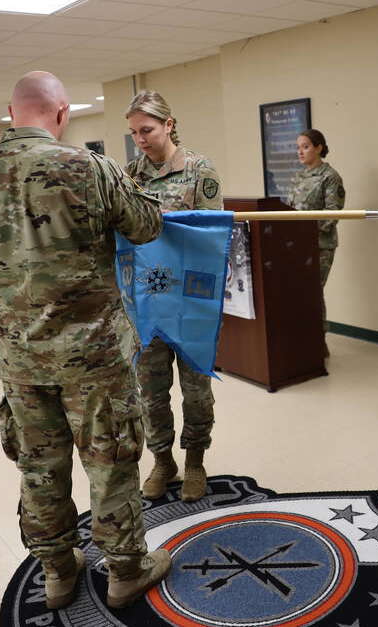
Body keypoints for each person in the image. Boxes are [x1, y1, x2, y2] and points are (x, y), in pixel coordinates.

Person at [0, 71, 169, 610]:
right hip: (93, 355)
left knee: (38, 465)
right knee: (110, 459)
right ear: (63, 113)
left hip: (20, 358)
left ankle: (56, 571)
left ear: (10, 112)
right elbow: (146, 227)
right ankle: (124, 570)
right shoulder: (91, 168)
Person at [125, 90, 222, 503]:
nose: (140, 140)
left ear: (168, 124)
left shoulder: (200, 170)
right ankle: (163, 461)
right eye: (133, 133)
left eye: (146, 129)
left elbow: (214, 236)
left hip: (192, 298)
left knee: (196, 389)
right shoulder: (130, 175)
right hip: (147, 300)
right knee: (151, 390)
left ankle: (196, 460)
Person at [285, 129, 345, 351]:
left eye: (306, 146)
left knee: (312, 291)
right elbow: (289, 210)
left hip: (320, 245)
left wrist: (305, 233)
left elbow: (333, 213)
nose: (300, 151)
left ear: (319, 147)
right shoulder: (299, 176)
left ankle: (318, 342)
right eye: (298, 147)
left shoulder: (330, 177)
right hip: (296, 245)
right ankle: (306, 340)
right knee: (301, 291)